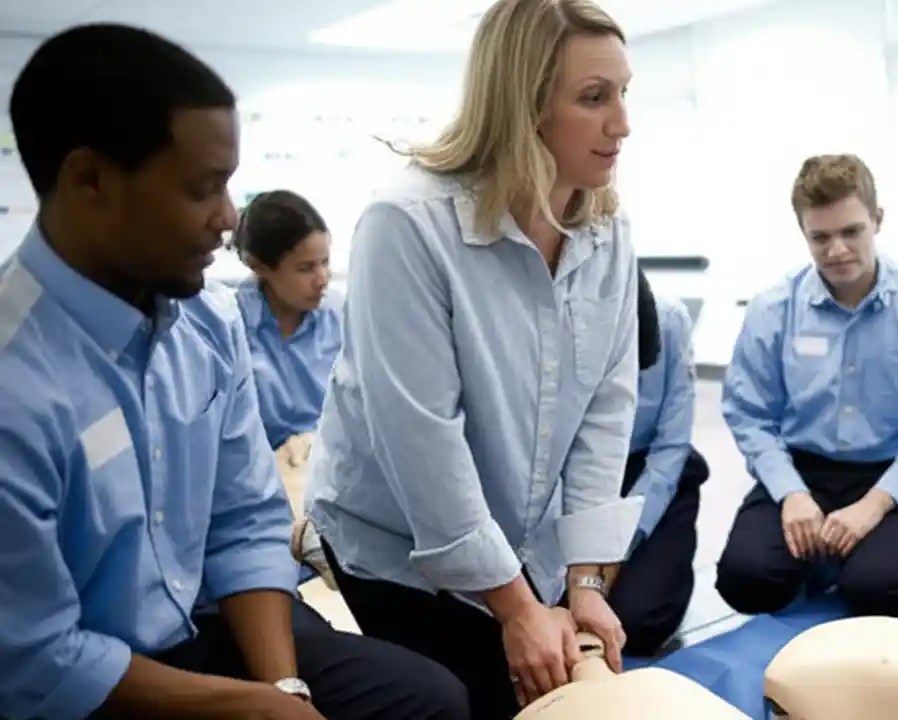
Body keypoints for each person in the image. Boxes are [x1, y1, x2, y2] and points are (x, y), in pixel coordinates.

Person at [0, 23, 466, 720]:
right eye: (203, 188)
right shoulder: (15, 382)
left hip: (214, 623)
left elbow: (244, 520)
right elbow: (35, 661)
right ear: (89, 179)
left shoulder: (206, 326)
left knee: (429, 700)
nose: (227, 219)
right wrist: (251, 710)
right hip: (83, 681)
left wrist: (283, 689)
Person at [303, 0, 640, 717]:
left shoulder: (607, 229)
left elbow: (605, 412)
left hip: (520, 535)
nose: (622, 123)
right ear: (524, 105)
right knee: (466, 701)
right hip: (395, 547)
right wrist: (517, 610)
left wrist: (585, 584)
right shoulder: (409, 226)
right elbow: (422, 439)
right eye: (594, 98)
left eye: (623, 93)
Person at [716, 153, 898, 622]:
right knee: (745, 580)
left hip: (890, 472)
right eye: (821, 237)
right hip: (805, 468)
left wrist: (875, 506)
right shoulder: (773, 308)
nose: (836, 250)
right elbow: (748, 413)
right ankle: (833, 552)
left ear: (877, 220)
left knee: (883, 588)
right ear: (804, 234)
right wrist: (791, 493)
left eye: (851, 231)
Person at [227, 190, 341, 586]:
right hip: (266, 496)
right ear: (260, 267)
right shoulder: (229, 327)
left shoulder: (341, 318)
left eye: (326, 261)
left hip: (336, 484)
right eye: (306, 267)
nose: (322, 278)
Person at [609, 269, 707, 656]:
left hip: (646, 469)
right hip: (567, 475)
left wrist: (622, 539)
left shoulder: (669, 319)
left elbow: (672, 443)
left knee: (637, 620)